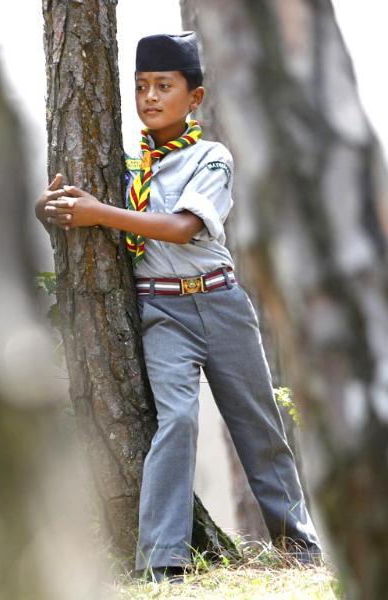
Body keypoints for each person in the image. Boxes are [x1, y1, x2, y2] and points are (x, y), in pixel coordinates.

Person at [33, 31, 323, 583]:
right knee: (177, 421)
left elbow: (182, 228)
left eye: (164, 86)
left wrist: (102, 214)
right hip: (161, 313)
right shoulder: (122, 169)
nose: (149, 98)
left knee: (257, 423)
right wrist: (50, 205)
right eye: (141, 86)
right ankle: (163, 558)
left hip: (219, 303)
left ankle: (298, 543)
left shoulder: (210, 158)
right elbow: (81, 210)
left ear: (195, 98)